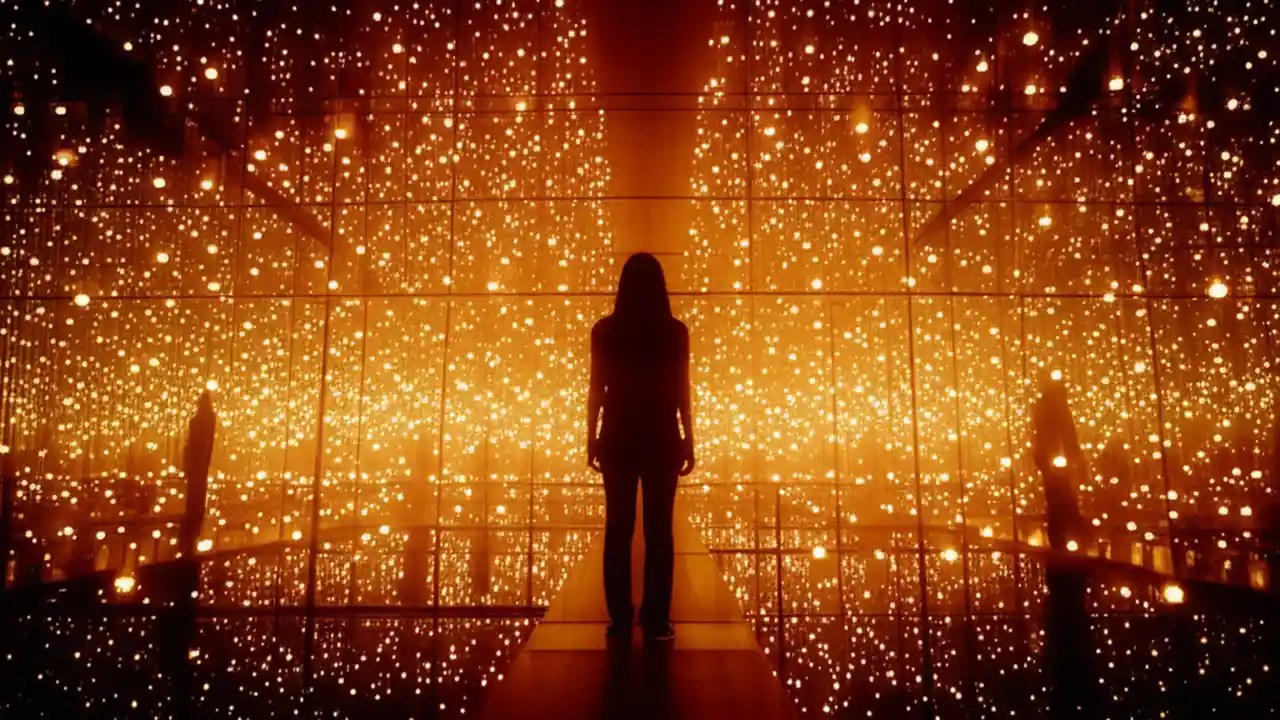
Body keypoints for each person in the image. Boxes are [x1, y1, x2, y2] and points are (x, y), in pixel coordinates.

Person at [587, 253, 695, 641]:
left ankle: (620, 618)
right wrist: (688, 439)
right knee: (659, 532)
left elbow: (596, 389)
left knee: (617, 529)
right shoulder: (674, 332)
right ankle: (655, 618)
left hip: (618, 436)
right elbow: (681, 391)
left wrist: (591, 437)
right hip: (661, 437)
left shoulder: (605, 331)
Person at [179, 391, 216, 559]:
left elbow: (193, 444)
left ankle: (187, 542)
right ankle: (190, 539)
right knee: (197, 501)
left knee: (194, 501)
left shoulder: (199, 421)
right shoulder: (208, 420)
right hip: (200, 467)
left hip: (196, 467)